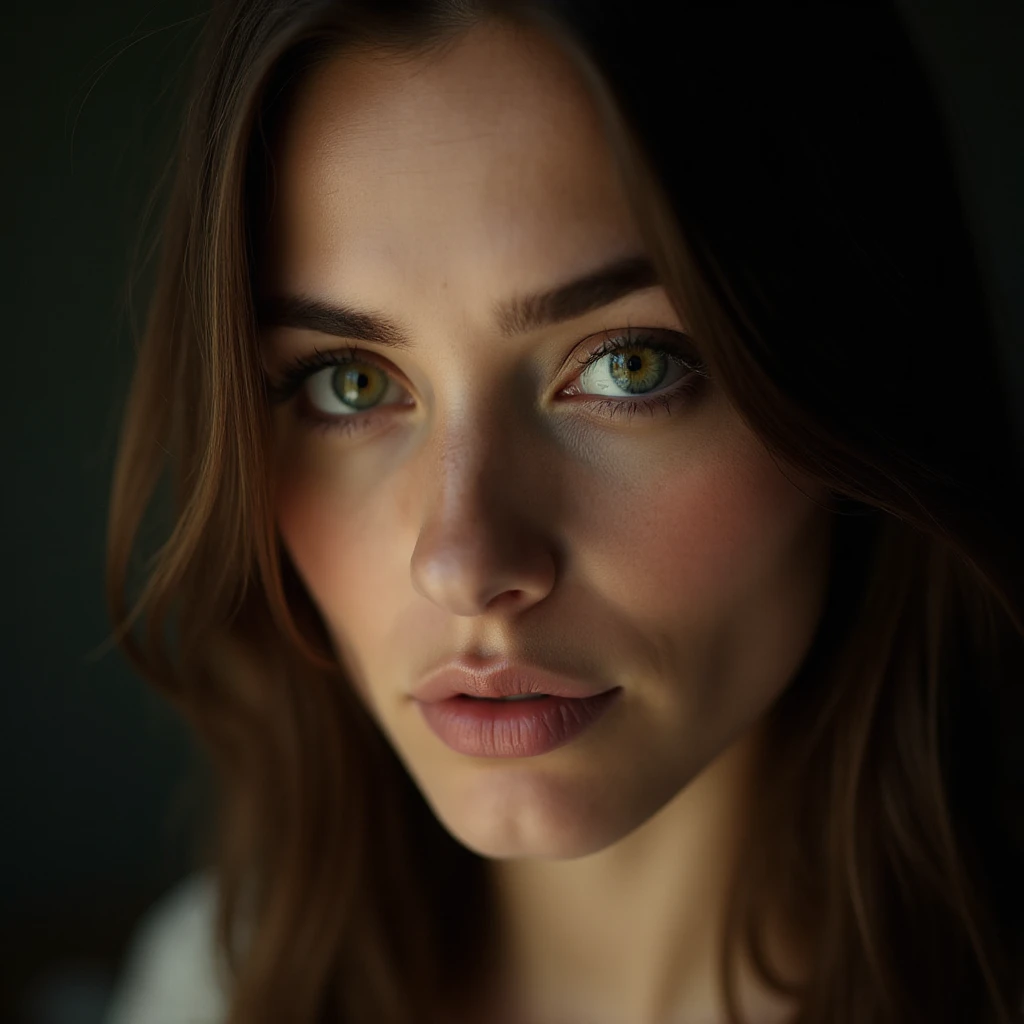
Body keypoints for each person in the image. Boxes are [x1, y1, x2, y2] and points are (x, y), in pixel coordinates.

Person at [102, 1, 1024, 1022]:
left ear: (860, 378)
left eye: (629, 368)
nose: (462, 561)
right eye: (347, 383)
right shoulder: (216, 984)